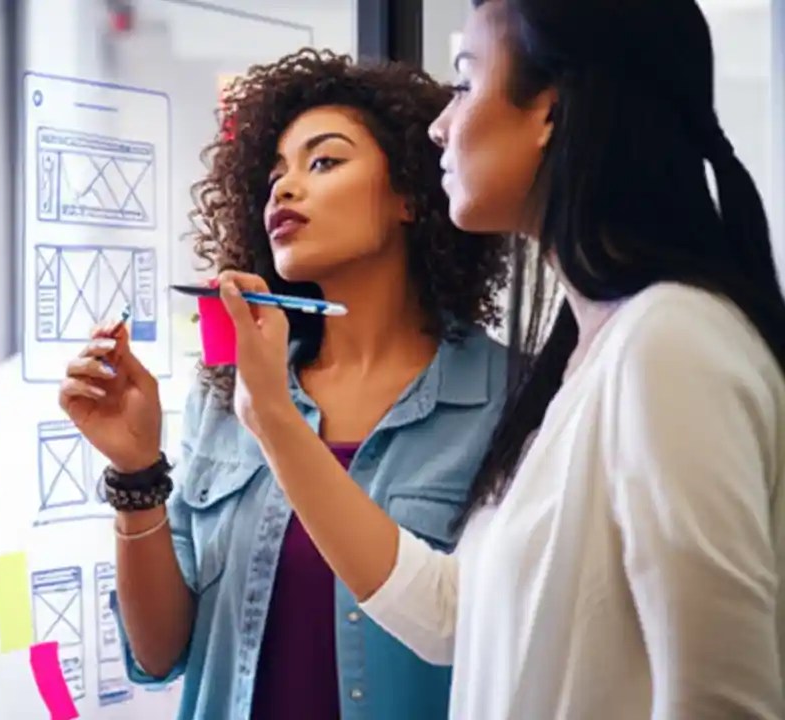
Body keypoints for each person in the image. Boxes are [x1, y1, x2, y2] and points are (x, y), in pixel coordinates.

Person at [209, 0, 785, 717]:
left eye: (463, 83)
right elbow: (454, 615)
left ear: (548, 109)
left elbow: (725, 701)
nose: (439, 125)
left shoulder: (672, 343)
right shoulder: (581, 362)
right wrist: (271, 418)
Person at [59, 50, 510, 719]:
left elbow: (493, 636)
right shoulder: (228, 392)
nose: (284, 189)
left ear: (411, 194)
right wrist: (136, 474)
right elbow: (158, 655)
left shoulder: (509, 398)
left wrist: (273, 417)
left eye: (323, 161)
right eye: (274, 174)